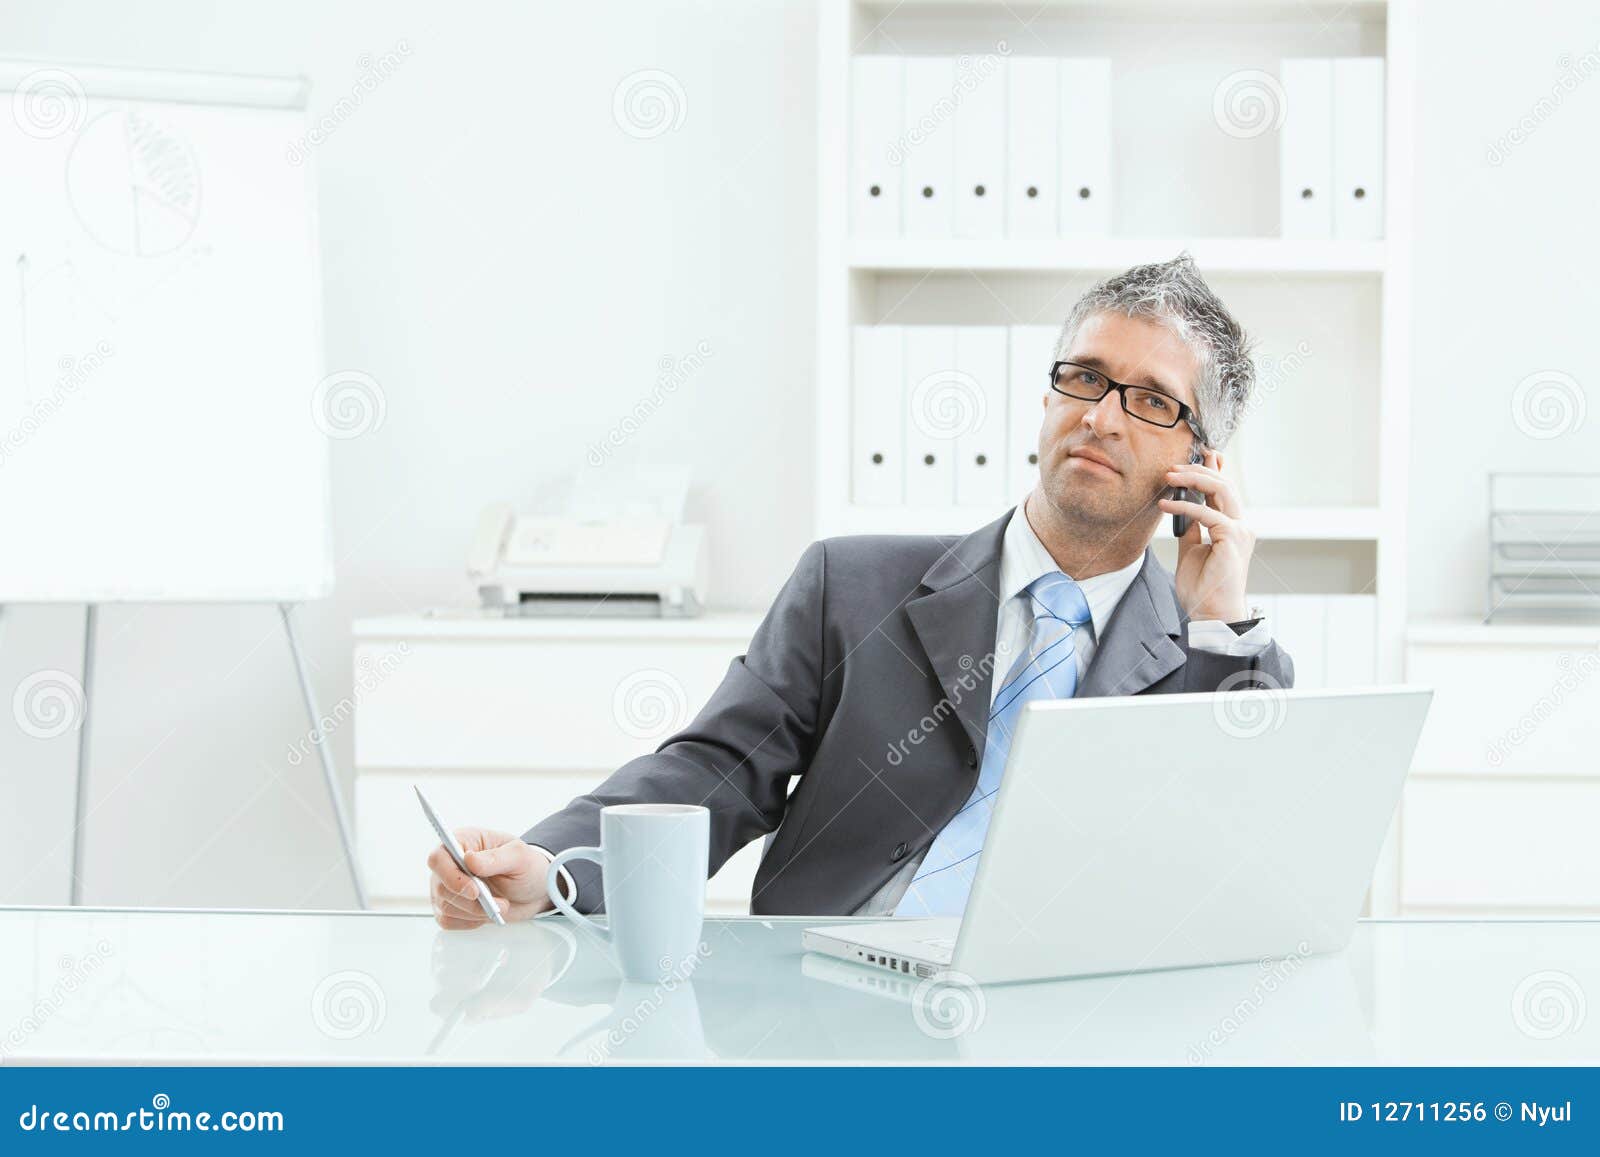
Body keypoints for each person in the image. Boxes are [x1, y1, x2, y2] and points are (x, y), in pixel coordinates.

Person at [428, 252, 1293, 928]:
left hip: (1067, 1031)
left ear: (1202, 460)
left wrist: (1217, 621)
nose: (1100, 415)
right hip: (826, 1007)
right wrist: (551, 868)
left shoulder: (1215, 651)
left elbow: (1233, 872)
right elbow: (712, 772)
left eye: (1148, 400)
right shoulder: (853, 585)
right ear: (1049, 393)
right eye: (1086, 377)